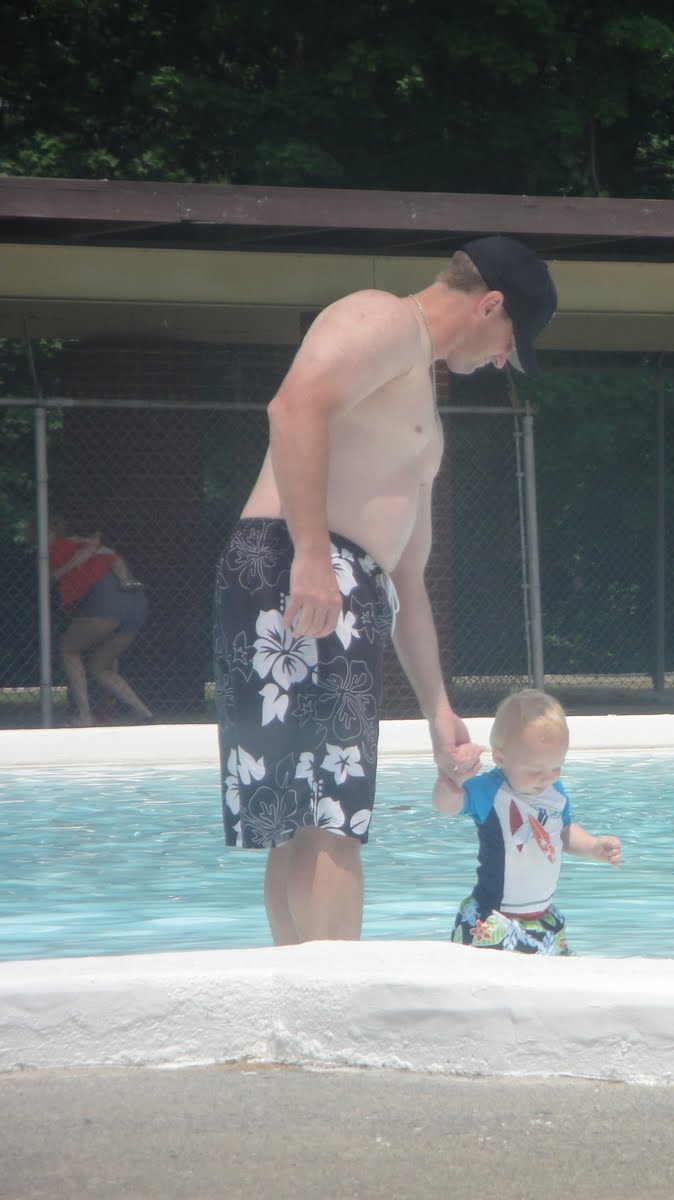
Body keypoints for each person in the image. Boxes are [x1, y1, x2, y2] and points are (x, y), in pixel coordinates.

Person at [212, 234, 558, 945]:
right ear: (490, 304)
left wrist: (437, 707)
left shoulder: (420, 398)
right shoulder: (384, 319)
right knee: (329, 815)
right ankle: (334, 1011)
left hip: (336, 574)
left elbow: (405, 576)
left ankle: (300, 1004)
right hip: (306, 562)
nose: (501, 362)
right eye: (508, 345)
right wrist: (310, 552)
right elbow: (291, 407)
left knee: (299, 816)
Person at [433, 688, 621, 954]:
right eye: (535, 770)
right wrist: (450, 784)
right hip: (494, 918)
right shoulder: (490, 791)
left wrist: (592, 846)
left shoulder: (555, 793)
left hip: (543, 917)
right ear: (501, 758)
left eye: (556, 767)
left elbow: (563, 831)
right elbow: (446, 807)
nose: (546, 778)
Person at [47, 514, 156, 726]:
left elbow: (54, 576)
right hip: (136, 603)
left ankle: (85, 716)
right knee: (100, 666)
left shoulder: (57, 546)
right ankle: (145, 713)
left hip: (107, 601)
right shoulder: (91, 547)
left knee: (69, 649)